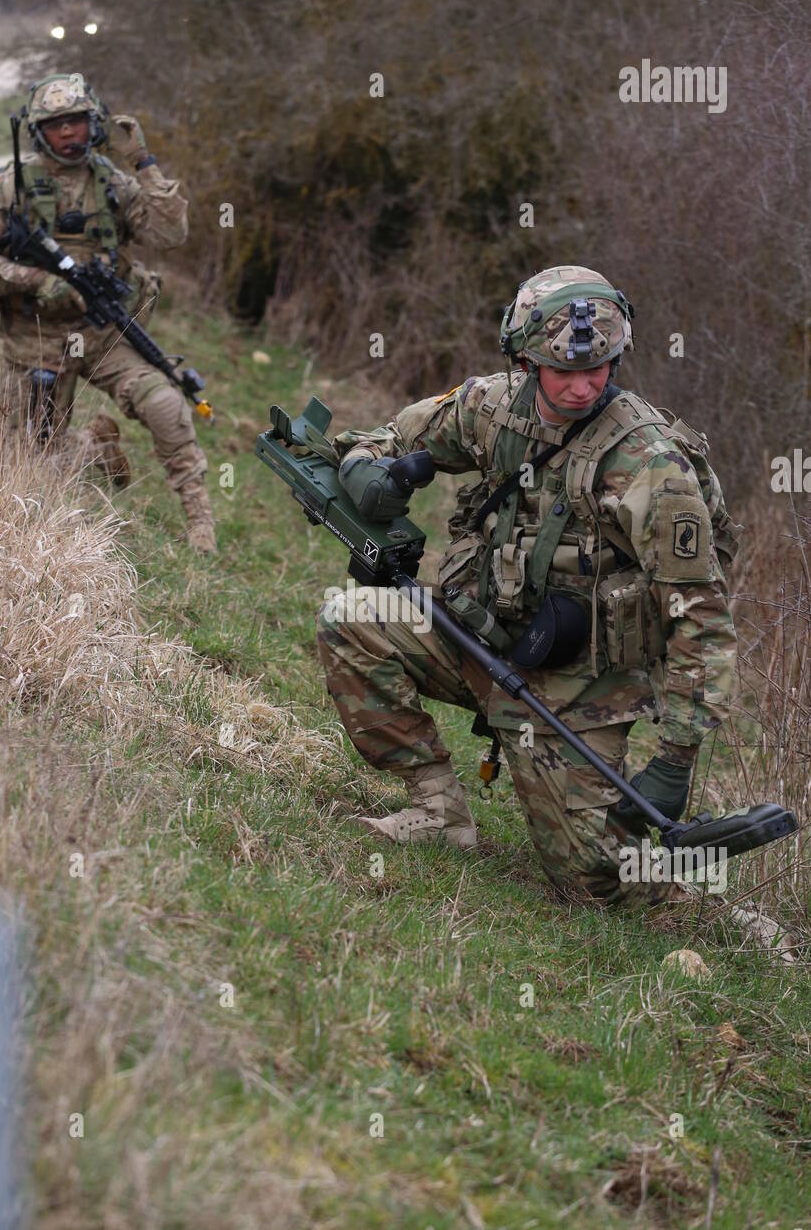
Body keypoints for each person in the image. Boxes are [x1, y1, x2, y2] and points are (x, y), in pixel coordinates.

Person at [315, 265, 740, 906]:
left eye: (598, 368)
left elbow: (700, 612)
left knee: (595, 886)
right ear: (525, 360)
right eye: (561, 370)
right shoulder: (490, 407)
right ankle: (437, 810)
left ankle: (725, 910)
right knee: (349, 619)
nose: (580, 386)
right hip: (481, 636)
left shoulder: (651, 466)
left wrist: (676, 758)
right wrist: (372, 469)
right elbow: (387, 434)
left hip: (582, 684)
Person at [0, 71, 216, 552]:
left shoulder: (111, 182)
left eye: (77, 121)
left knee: (165, 402)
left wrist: (143, 160)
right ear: (38, 131)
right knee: (34, 464)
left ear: (92, 123)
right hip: (35, 340)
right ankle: (92, 448)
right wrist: (40, 282)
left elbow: (171, 234)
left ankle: (200, 522)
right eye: (57, 125)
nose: (69, 133)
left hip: (104, 334)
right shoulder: (10, 188)